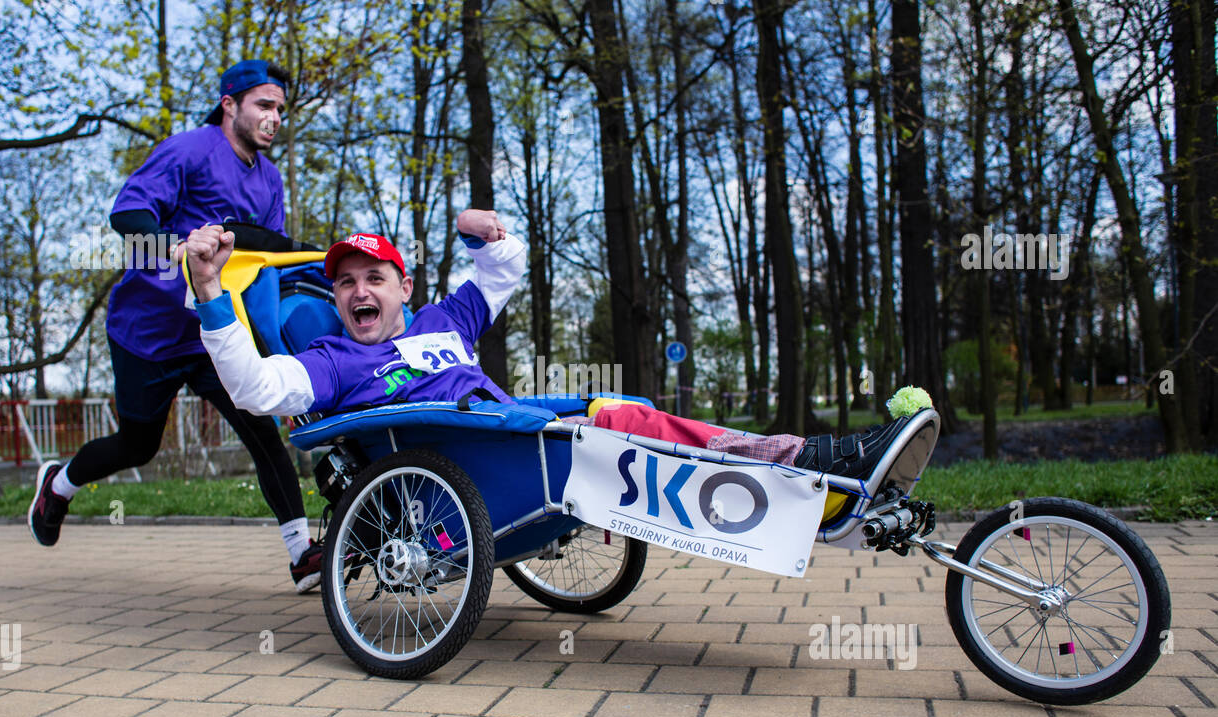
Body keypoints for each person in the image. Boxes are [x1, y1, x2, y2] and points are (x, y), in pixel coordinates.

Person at [175, 209, 910, 480]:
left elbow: (504, 267)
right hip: (482, 458)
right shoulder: (337, 359)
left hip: (515, 438)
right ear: (336, 300)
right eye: (345, 284)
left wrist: (481, 229)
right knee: (635, 422)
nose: (358, 292)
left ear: (405, 288)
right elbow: (257, 392)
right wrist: (211, 293)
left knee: (630, 404)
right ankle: (819, 460)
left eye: (375, 278)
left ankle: (810, 475)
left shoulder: (444, 321)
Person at [29, 59, 323, 592]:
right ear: (230, 104)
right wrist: (179, 248)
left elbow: (264, 263)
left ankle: (302, 554)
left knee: (260, 427)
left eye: (280, 108)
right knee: (138, 446)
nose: (274, 117)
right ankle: (60, 484)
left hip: (214, 333)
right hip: (148, 332)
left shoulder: (270, 180)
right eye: (264, 105)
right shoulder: (189, 149)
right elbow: (128, 219)